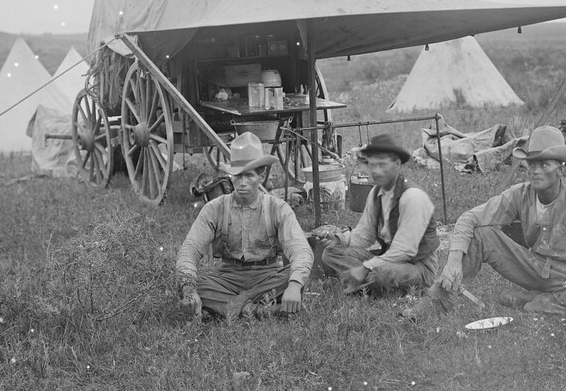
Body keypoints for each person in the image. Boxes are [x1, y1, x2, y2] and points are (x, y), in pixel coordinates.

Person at [404, 125, 566, 318]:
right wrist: (453, 261)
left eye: (544, 164)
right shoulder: (520, 194)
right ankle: (432, 307)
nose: (535, 171)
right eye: (532, 164)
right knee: (481, 234)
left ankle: (534, 302)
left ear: (560, 168)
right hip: (531, 266)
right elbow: (469, 218)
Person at [176, 132, 313, 320]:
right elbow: (190, 249)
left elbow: (300, 249)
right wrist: (189, 287)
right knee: (189, 281)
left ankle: (227, 308)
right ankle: (257, 310)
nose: (242, 183)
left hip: (268, 277)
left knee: (296, 276)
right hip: (228, 277)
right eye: (237, 176)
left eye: (249, 176)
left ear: (261, 175)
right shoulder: (214, 208)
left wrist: (295, 284)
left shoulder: (277, 208)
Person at [315, 133, 439, 295]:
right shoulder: (376, 194)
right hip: (387, 260)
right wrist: (338, 238)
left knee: (382, 272)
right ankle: (373, 286)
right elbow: (364, 236)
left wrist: (366, 268)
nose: (376, 171)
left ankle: (387, 287)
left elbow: (405, 251)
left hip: (418, 266)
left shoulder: (413, 198)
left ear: (396, 164)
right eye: (372, 165)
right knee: (331, 253)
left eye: (382, 165)